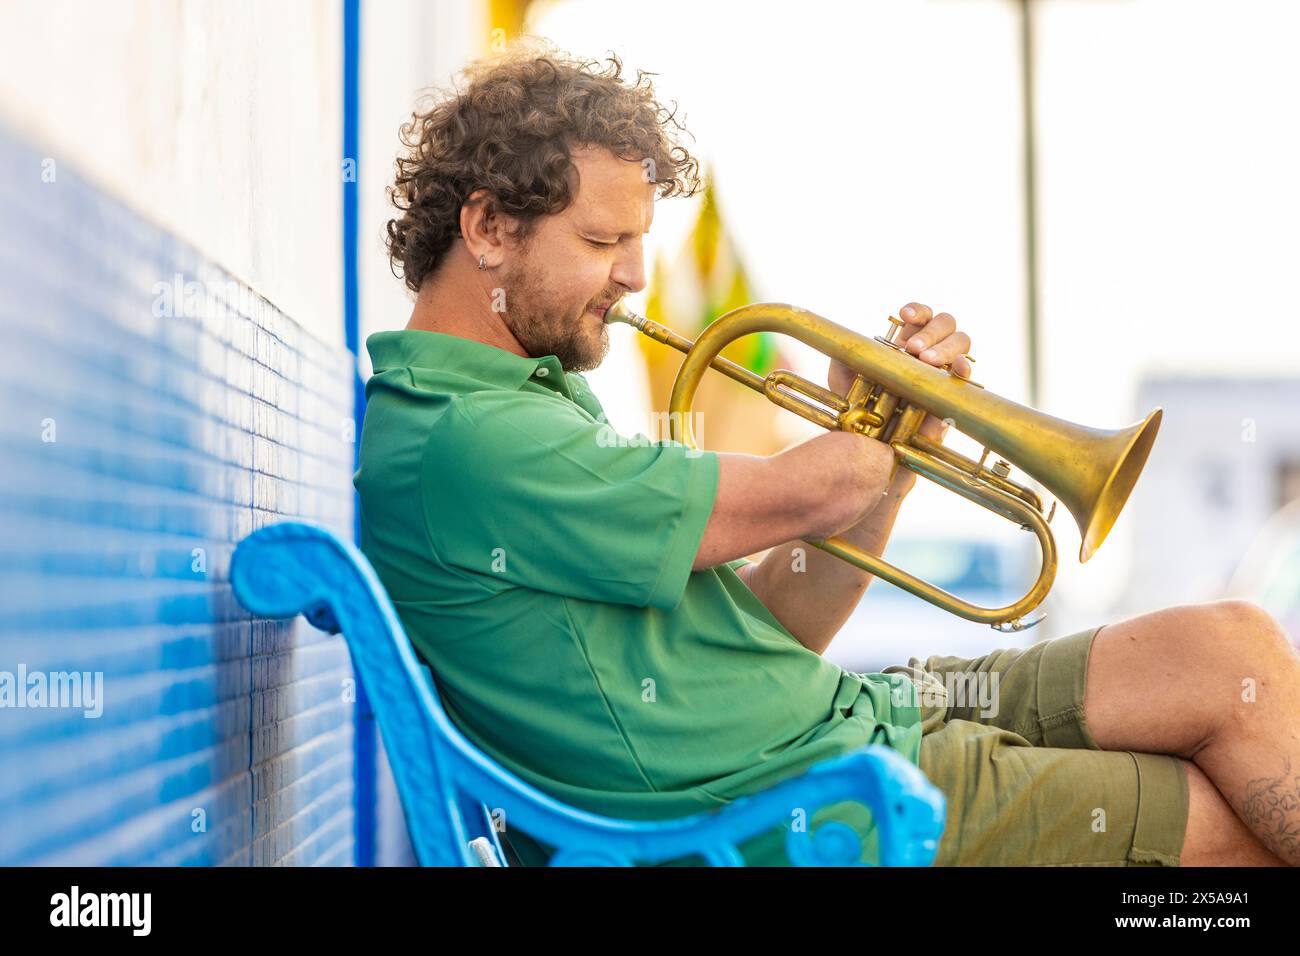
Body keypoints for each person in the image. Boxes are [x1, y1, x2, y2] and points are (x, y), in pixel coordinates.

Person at [354, 43, 1300, 867]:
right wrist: (870, 429)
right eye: (604, 240)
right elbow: (803, 487)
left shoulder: (527, 410)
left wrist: (901, 449)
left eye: (640, 240)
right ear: (486, 228)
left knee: (1233, 647)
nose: (636, 275)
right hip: (798, 808)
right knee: (1230, 829)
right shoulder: (467, 437)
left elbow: (777, 625)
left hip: (856, 724)